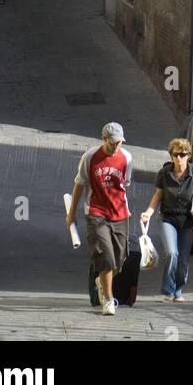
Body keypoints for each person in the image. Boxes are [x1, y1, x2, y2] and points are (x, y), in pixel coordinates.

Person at [65, 123, 133, 317]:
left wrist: (124, 208)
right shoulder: (90, 158)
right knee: (106, 257)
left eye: (119, 142)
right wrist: (72, 213)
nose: (117, 147)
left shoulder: (127, 158)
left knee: (119, 260)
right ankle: (109, 300)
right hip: (96, 212)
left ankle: (102, 280)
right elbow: (80, 184)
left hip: (119, 213)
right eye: (113, 143)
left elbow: (124, 186)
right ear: (104, 140)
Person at [141, 138, 193, 302]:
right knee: (172, 253)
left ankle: (179, 289)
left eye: (183, 154)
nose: (179, 158)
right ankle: (169, 288)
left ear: (188, 155)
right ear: (171, 156)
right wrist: (149, 212)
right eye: (176, 155)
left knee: (184, 258)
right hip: (169, 218)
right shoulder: (165, 173)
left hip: (188, 220)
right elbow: (158, 195)